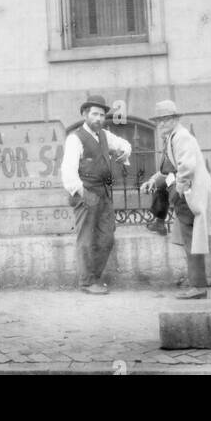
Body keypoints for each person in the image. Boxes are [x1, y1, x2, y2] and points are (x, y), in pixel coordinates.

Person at [140, 99, 211, 299]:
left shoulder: (181, 137)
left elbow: (186, 167)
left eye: (166, 119)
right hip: (185, 194)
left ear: (175, 119)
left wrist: (180, 190)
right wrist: (154, 181)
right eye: (159, 121)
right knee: (190, 240)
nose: (161, 124)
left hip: (188, 195)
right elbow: (167, 170)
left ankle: (198, 287)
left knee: (192, 241)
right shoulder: (172, 137)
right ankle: (196, 285)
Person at [60, 95, 133, 294]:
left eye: (102, 115)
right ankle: (86, 282)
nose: (99, 119)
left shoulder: (104, 135)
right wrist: (83, 193)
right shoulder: (75, 138)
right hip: (85, 195)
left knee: (106, 237)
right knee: (86, 239)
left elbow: (124, 145)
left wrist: (124, 153)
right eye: (94, 114)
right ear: (85, 115)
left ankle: (95, 278)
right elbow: (68, 171)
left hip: (104, 194)